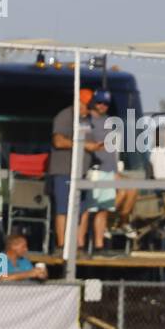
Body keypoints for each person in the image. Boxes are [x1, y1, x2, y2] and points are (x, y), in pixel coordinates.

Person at [49, 89, 102, 251]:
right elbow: (58, 141)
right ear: (79, 103)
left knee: (84, 209)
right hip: (64, 170)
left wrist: (97, 146)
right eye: (88, 105)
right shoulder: (65, 116)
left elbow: (89, 141)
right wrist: (84, 145)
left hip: (82, 172)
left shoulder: (85, 120)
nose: (89, 109)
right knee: (63, 209)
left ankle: (80, 244)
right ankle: (61, 245)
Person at [82, 90, 118, 253]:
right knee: (86, 209)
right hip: (94, 169)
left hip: (109, 170)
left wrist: (116, 169)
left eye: (106, 103)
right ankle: (80, 244)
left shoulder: (110, 121)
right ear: (93, 102)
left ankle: (99, 244)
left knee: (104, 209)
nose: (102, 106)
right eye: (100, 102)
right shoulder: (86, 120)